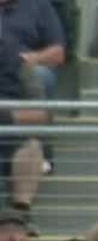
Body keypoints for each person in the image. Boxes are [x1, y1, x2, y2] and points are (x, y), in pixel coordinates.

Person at [0, 0, 66, 97]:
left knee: (37, 75)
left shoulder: (40, 7)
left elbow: (58, 53)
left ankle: (32, 111)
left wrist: (31, 59)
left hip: (24, 68)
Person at [0, 32, 49, 225]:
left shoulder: (20, 65)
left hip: (10, 133)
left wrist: (6, 116)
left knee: (31, 147)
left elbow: (42, 114)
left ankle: (20, 214)